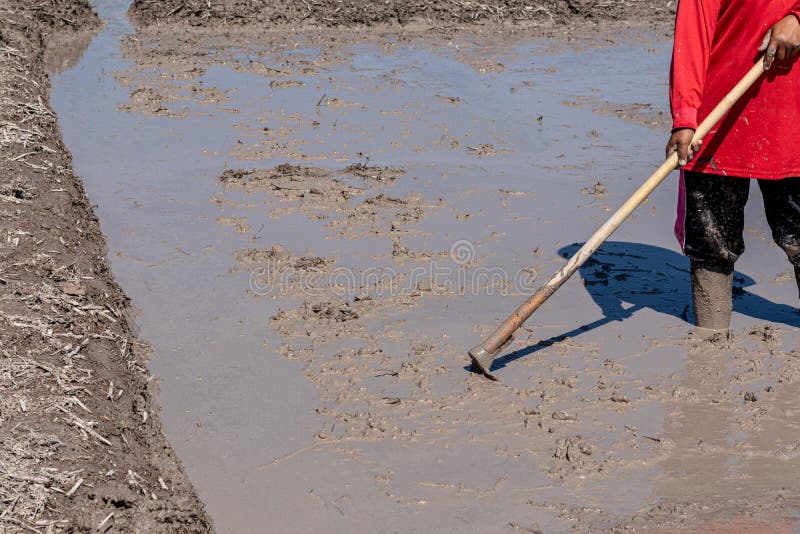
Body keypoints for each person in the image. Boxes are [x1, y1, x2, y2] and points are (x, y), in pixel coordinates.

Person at [667, 0, 800, 333]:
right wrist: (685, 117)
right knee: (711, 243)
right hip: (715, 121)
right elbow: (692, 37)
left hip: (794, 119)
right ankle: (708, 350)